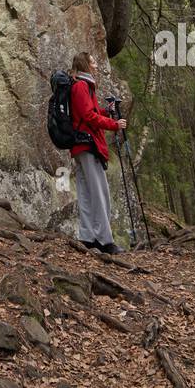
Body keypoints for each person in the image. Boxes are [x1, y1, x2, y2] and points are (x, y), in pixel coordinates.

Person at [69, 50, 126, 254]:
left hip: (81, 146)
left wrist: (105, 111)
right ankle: (105, 240)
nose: (96, 65)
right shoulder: (82, 86)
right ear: (85, 65)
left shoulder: (80, 85)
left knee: (86, 192)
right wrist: (114, 124)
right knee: (100, 193)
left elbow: (89, 113)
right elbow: (88, 117)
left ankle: (88, 237)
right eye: (93, 62)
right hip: (88, 144)